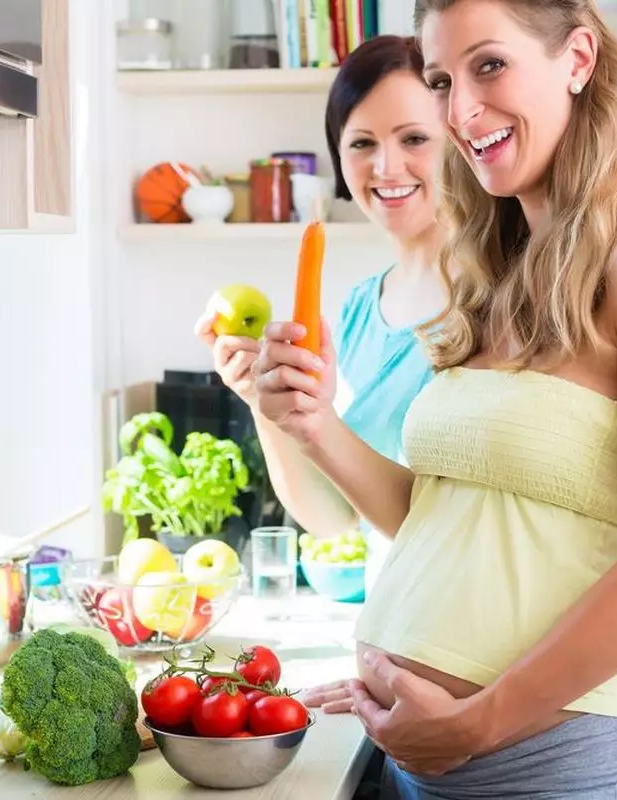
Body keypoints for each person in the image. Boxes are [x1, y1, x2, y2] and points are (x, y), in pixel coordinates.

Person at [251, 0, 617, 797]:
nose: (462, 110)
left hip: (560, 768)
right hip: (428, 765)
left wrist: (477, 723)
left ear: (577, 59)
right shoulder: (495, 276)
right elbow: (436, 514)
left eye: (489, 65)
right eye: (443, 80)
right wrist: (311, 423)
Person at [193, 35, 448, 714]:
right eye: (361, 143)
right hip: (388, 666)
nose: (385, 166)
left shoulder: (498, 301)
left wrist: (321, 420)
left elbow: (448, 526)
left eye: (414, 137)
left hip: (465, 685)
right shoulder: (361, 308)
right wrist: (262, 401)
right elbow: (333, 516)